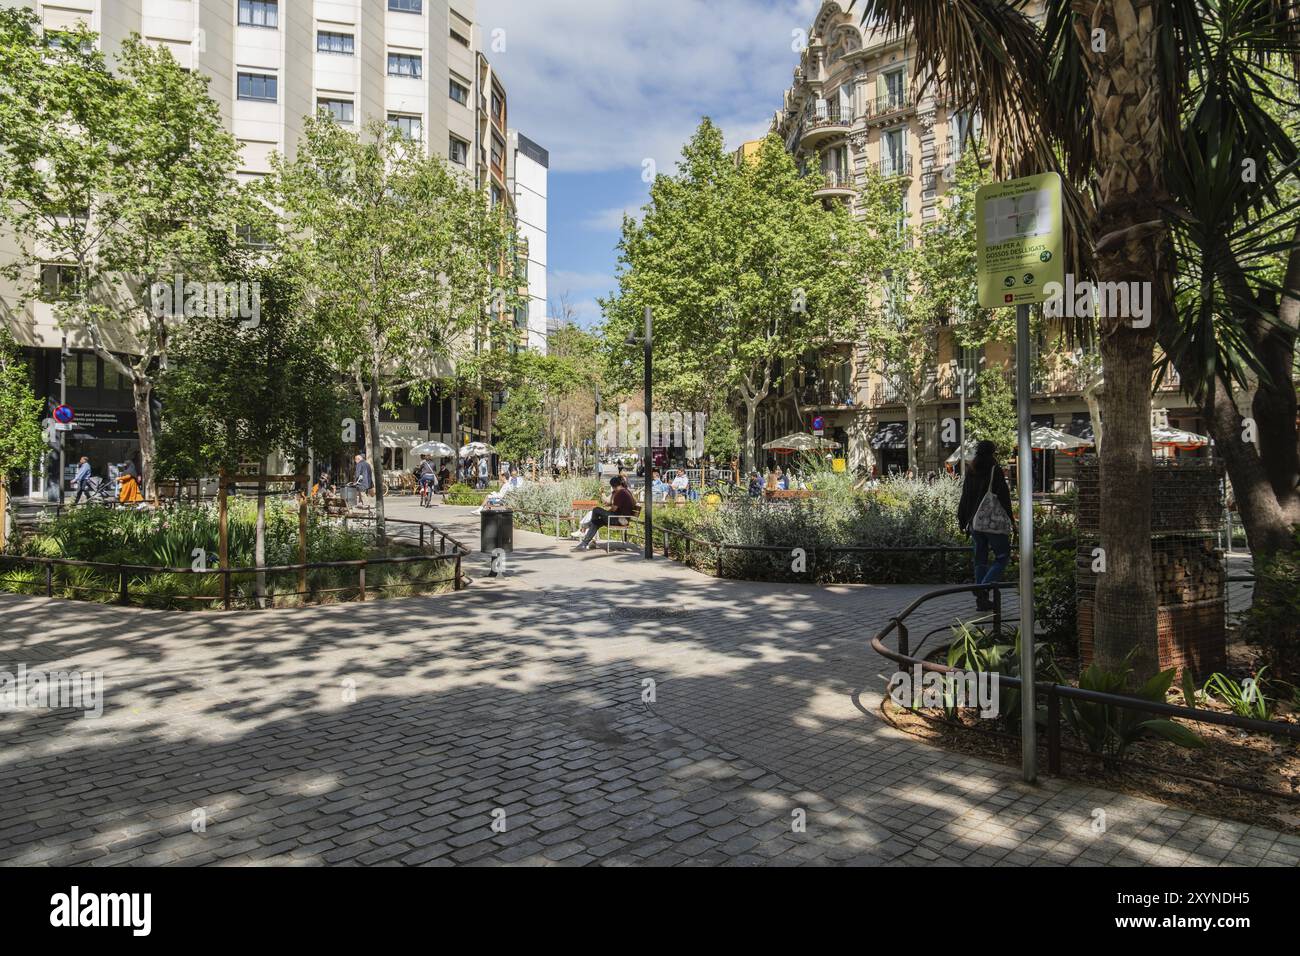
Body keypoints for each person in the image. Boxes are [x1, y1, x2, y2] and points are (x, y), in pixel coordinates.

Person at [957, 440, 1014, 611]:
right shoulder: (994, 470)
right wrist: (1011, 518)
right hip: (991, 523)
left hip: (974, 523)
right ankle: (982, 588)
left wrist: (963, 520)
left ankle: (982, 600)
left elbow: (965, 497)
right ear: (992, 452)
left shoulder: (971, 470)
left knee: (980, 559)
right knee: (1002, 557)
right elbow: (1003, 496)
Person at [576, 476, 638, 551]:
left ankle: (588, 525)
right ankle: (584, 544)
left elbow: (614, 509)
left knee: (596, 509)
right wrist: (606, 512)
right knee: (596, 523)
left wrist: (605, 512)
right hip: (622, 519)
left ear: (613, 486)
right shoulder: (626, 491)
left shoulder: (621, 493)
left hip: (620, 520)